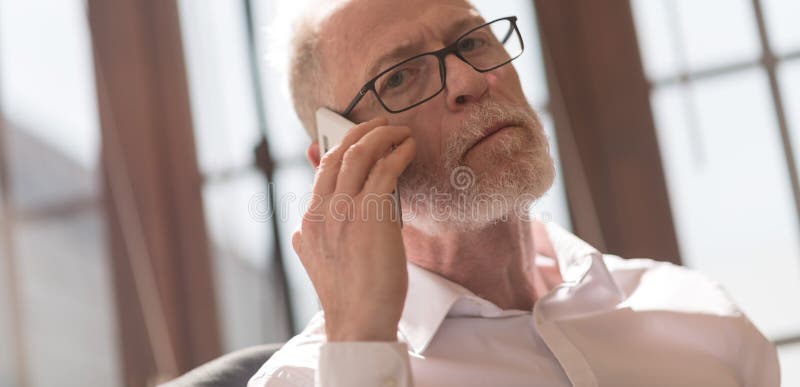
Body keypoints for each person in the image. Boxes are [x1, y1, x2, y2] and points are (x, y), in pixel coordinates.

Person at [248, 0, 780, 386]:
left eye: (473, 41)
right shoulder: (300, 379)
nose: (470, 81)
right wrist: (361, 343)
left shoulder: (702, 319)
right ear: (337, 159)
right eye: (399, 77)